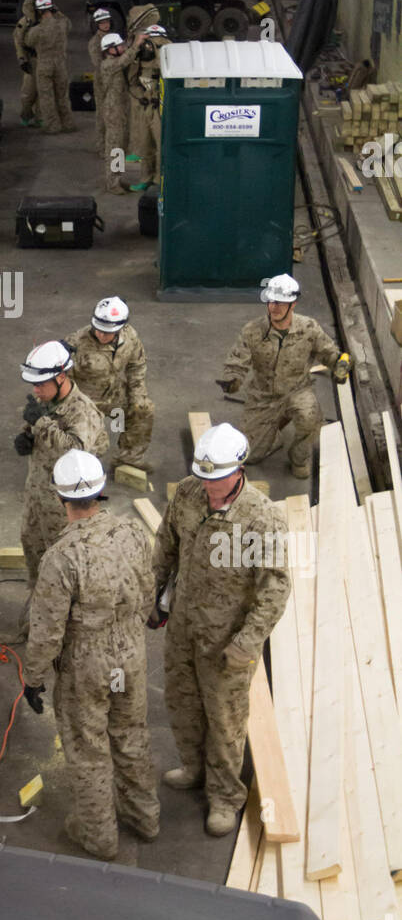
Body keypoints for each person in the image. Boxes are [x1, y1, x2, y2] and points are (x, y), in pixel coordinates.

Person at [149, 423, 290, 836]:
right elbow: (165, 546)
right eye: (204, 477)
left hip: (227, 640)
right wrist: (153, 596)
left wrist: (247, 643)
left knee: (226, 720)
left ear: (239, 470)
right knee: (182, 702)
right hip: (184, 627)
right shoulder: (189, 494)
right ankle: (194, 767)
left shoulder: (263, 519)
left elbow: (275, 588)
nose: (209, 486)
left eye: (218, 479)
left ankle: (225, 797)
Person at [22, 451, 159, 861]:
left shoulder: (60, 557)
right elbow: (148, 590)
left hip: (87, 664)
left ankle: (99, 835)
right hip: (131, 654)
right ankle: (145, 816)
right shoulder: (134, 533)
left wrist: (33, 677)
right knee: (131, 734)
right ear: (101, 492)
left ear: (61, 499)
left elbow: (47, 631)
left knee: (87, 748)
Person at [14, 340, 108, 634]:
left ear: (61, 377)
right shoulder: (45, 402)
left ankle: (65, 617)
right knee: (33, 548)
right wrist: (25, 437)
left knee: (64, 561)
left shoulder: (83, 412)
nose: (35, 390)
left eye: (41, 384)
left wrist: (41, 424)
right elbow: (37, 430)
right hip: (37, 495)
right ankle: (40, 599)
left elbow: (76, 451)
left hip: (64, 505)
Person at [217, 274, 350, 478]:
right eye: (271, 301)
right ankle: (274, 433)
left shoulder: (309, 328)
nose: (274, 307)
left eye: (280, 303)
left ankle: (299, 457)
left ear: (293, 303)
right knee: (250, 456)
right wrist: (232, 380)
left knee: (310, 416)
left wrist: (339, 364)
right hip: (263, 396)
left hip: (297, 390)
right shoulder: (253, 331)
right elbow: (237, 362)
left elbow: (329, 353)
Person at [67, 296, 154, 473]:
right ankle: (78, 472)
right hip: (84, 401)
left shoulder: (129, 336)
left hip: (113, 395)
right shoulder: (75, 344)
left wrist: (137, 395)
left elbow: (136, 365)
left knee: (143, 409)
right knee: (99, 444)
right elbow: (60, 383)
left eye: (107, 332)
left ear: (121, 327)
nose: (101, 334)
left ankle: (129, 459)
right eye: (98, 329)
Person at [124, 9, 170, 193]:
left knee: (161, 146)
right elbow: (132, 80)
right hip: (146, 106)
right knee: (145, 145)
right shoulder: (140, 56)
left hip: (161, 107)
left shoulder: (169, 54)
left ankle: (160, 180)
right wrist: (141, 95)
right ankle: (145, 178)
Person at [96, 32, 145, 195]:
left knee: (121, 147)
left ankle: (118, 178)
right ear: (110, 50)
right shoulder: (107, 65)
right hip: (113, 111)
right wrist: (136, 44)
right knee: (114, 147)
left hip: (121, 110)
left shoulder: (115, 61)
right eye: (119, 46)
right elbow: (124, 61)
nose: (123, 48)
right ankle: (112, 183)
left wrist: (131, 43)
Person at [24, 0, 74, 135]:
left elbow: (28, 42)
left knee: (46, 96)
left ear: (39, 12)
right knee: (62, 95)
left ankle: (52, 126)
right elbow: (68, 24)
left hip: (44, 64)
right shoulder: (62, 24)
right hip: (60, 63)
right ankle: (68, 123)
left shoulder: (36, 30)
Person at [88, 7, 113, 158]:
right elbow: (98, 63)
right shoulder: (94, 42)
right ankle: (102, 146)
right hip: (102, 81)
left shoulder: (114, 37)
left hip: (115, 81)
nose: (105, 25)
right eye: (102, 22)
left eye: (107, 21)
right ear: (97, 24)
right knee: (102, 113)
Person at [13, 0, 40, 127]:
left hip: (47, 60)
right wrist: (22, 59)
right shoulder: (25, 22)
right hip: (32, 60)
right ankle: (26, 115)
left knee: (45, 93)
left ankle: (41, 118)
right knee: (28, 92)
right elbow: (18, 42)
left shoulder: (50, 20)